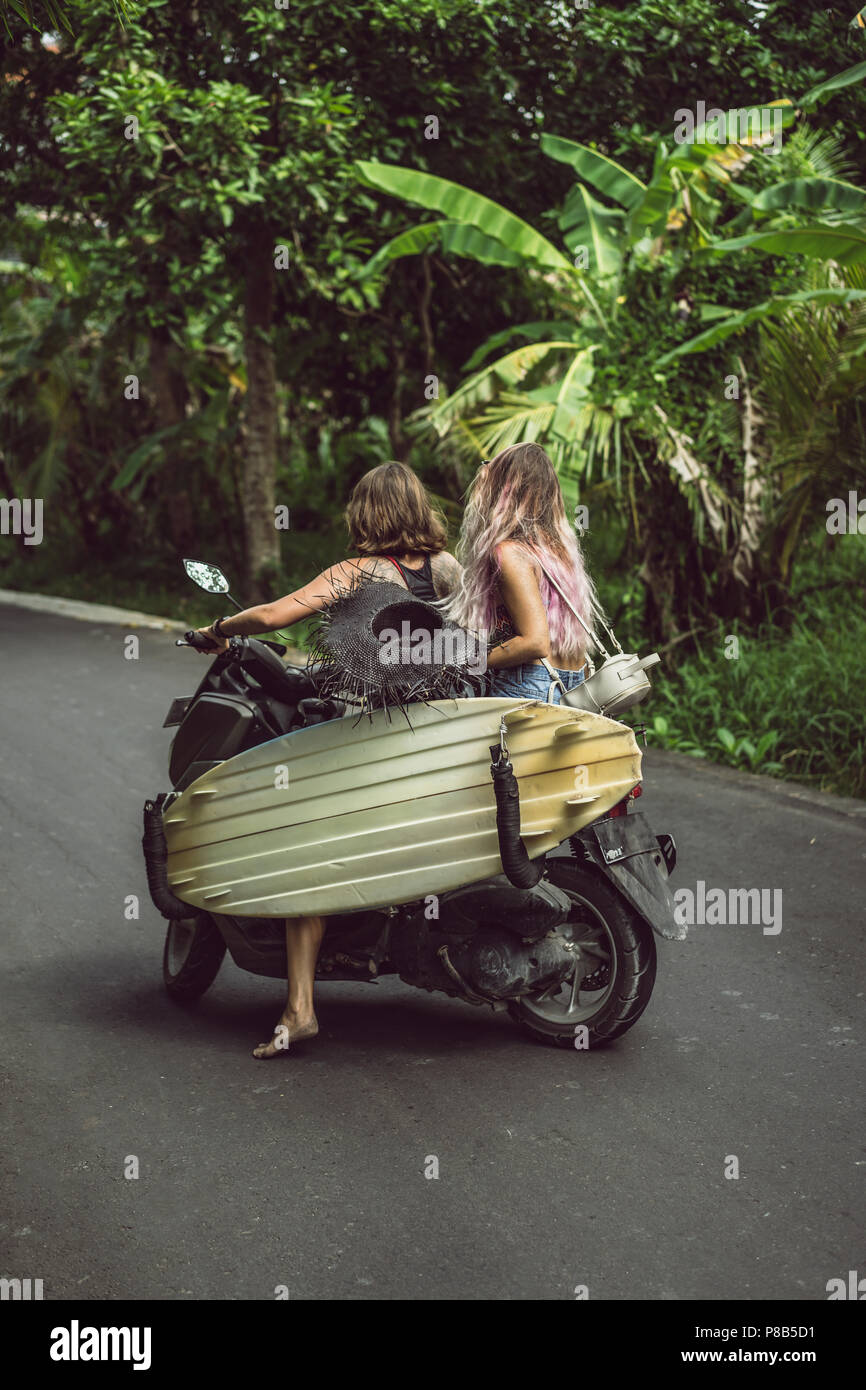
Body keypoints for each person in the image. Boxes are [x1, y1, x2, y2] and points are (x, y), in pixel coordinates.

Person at [192, 461, 461, 1058]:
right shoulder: (447, 570)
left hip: (373, 738)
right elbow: (464, 639)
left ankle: (301, 1008)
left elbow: (271, 617)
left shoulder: (357, 570)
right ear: (419, 508)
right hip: (443, 734)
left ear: (365, 514)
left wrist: (218, 627)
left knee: (303, 847)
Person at [445, 442, 599, 702]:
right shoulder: (559, 550)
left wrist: (469, 662)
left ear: (503, 490)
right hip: (573, 684)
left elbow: (536, 642)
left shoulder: (509, 553)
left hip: (531, 685)